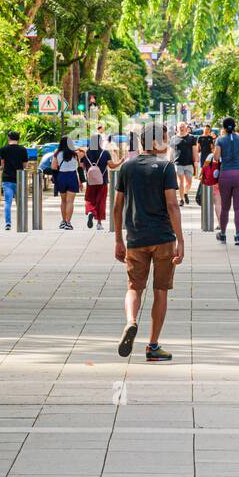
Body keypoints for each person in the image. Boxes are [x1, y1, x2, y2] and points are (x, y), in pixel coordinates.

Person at [114, 121, 184, 362]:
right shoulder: (165, 168)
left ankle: (131, 322)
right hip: (163, 238)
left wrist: (118, 240)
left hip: (135, 238)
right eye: (164, 138)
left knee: (134, 287)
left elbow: (117, 206)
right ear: (155, 141)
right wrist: (181, 240)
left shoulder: (127, 167)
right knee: (160, 290)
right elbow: (173, 205)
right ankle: (153, 346)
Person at [211, 117, 239, 246]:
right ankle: (237, 236)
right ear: (235, 126)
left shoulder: (220, 139)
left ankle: (224, 234)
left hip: (225, 175)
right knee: (238, 208)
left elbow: (216, 157)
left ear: (224, 127)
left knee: (225, 208)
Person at [83, 133, 119, 231]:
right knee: (101, 202)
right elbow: (111, 166)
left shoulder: (86, 154)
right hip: (102, 181)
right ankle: (99, 223)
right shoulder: (105, 153)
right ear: (99, 142)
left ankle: (90, 211)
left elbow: (81, 166)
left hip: (90, 182)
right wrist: (121, 161)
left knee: (89, 199)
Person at [0, 130, 29, 231]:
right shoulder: (23, 150)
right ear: (18, 139)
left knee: (8, 202)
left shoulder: (3, 149)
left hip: (7, 178)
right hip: (19, 179)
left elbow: (2, 164)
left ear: (9, 138)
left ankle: (8, 223)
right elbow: (25, 165)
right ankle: (21, 222)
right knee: (20, 202)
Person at [51, 135, 84, 229]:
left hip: (61, 177)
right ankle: (68, 223)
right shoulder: (75, 154)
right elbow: (84, 152)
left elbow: (53, 167)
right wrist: (76, 148)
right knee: (70, 202)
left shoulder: (57, 153)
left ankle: (63, 221)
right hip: (72, 176)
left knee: (63, 201)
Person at [171, 121, 199, 205]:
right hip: (178, 163)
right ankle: (181, 199)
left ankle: (186, 192)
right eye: (180, 126)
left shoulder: (191, 138)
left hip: (189, 163)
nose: (181, 127)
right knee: (181, 181)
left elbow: (194, 150)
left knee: (189, 182)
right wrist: (169, 160)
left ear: (186, 127)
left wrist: (196, 160)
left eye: (183, 126)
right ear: (177, 128)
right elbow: (171, 150)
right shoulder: (174, 138)